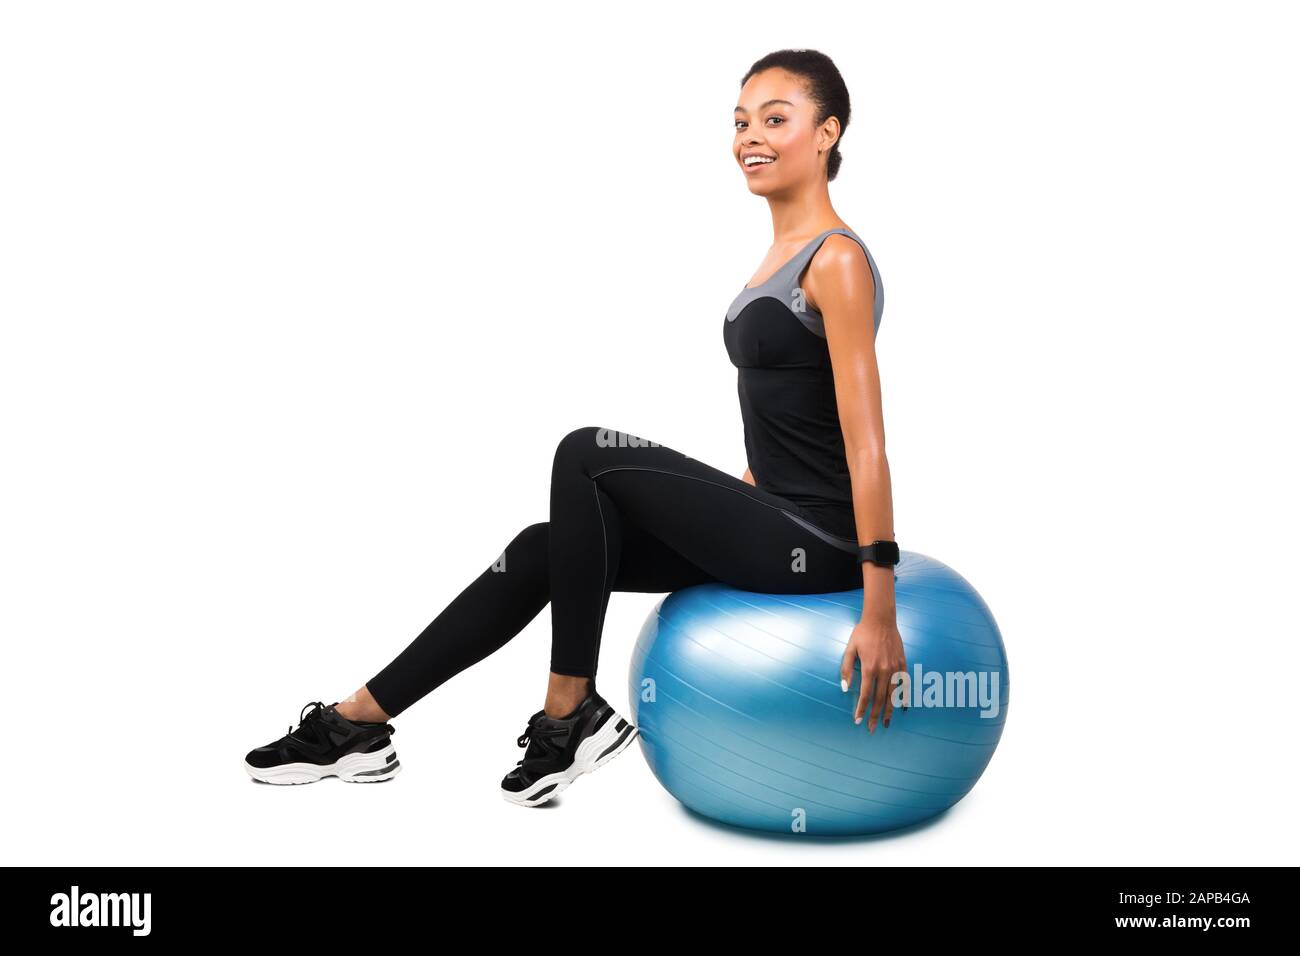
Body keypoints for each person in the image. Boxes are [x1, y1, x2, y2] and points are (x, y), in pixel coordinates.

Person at [244, 48, 907, 808]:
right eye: (739, 121)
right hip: (773, 519)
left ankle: (570, 713)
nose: (749, 136)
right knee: (542, 547)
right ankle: (355, 724)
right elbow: (789, 427)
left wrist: (877, 602)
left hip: (817, 542)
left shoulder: (838, 260)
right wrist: (734, 501)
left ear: (826, 133)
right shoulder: (774, 260)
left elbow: (866, 439)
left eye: (776, 119)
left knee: (586, 452)